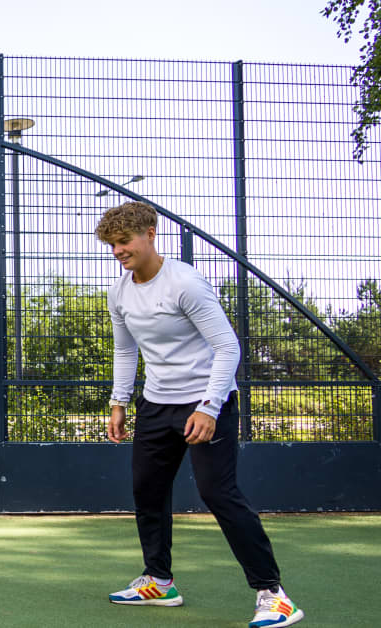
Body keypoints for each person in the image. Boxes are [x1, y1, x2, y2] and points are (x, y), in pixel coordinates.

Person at [96, 202, 303, 628]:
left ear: (150, 234)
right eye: (112, 245)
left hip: (207, 401)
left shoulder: (185, 283)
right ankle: (159, 581)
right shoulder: (119, 292)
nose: (117, 251)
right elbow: (125, 350)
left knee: (217, 493)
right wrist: (119, 403)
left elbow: (228, 347)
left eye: (124, 241)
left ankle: (274, 594)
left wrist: (209, 407)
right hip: (156, 404)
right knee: (147, 491)